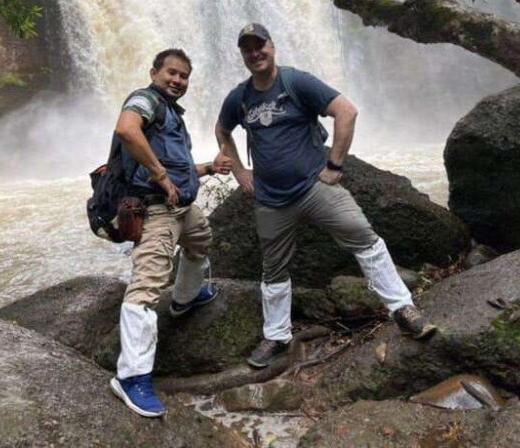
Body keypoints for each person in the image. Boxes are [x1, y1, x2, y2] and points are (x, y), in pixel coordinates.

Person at [215, 23, 437, 368]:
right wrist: (240, 172)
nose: (255, 53)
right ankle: (277, 337)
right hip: (271, 200)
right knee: (273, 267)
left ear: (272, 46)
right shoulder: (239, 97)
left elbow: (346, 110)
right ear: (242, 55)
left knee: (362, 235)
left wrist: (335, 165)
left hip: (313, 187)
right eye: (248, 49)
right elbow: (222, 129)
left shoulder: (296, 82)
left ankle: (403, 309)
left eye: (260, 45)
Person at [109, 48, 231, 417]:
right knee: (146, 286)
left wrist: (209, 168)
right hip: (156, 209)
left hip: (182, 208)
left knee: (200, 240)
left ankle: (185, 298)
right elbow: (126, 129)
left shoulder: (170, 113)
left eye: (184, 76)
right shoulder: (145, 100)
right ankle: (131, 377)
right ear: (154, 73)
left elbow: (176, 166)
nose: (177, 80)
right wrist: (160, 177)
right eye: (171, 73)